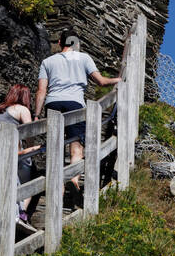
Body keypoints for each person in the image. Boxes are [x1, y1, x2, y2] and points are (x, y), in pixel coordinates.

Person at [34, 31, 119, 195]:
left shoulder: (47, 62)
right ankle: (73, 179)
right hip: (74, 104)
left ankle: (57, 186)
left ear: (60, 42)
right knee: (77, 145)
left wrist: (37, 115)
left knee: (55, 146)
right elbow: (101, 81)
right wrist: (118, 80)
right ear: (76, 43)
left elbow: (41, 91)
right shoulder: (84, 58)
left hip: (53, 103)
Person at [0, 84, 44, 224]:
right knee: (28, 182)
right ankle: (21, 213)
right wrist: (30, 149)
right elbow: (30, 132)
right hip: (16, 152)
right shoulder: (22, 109)